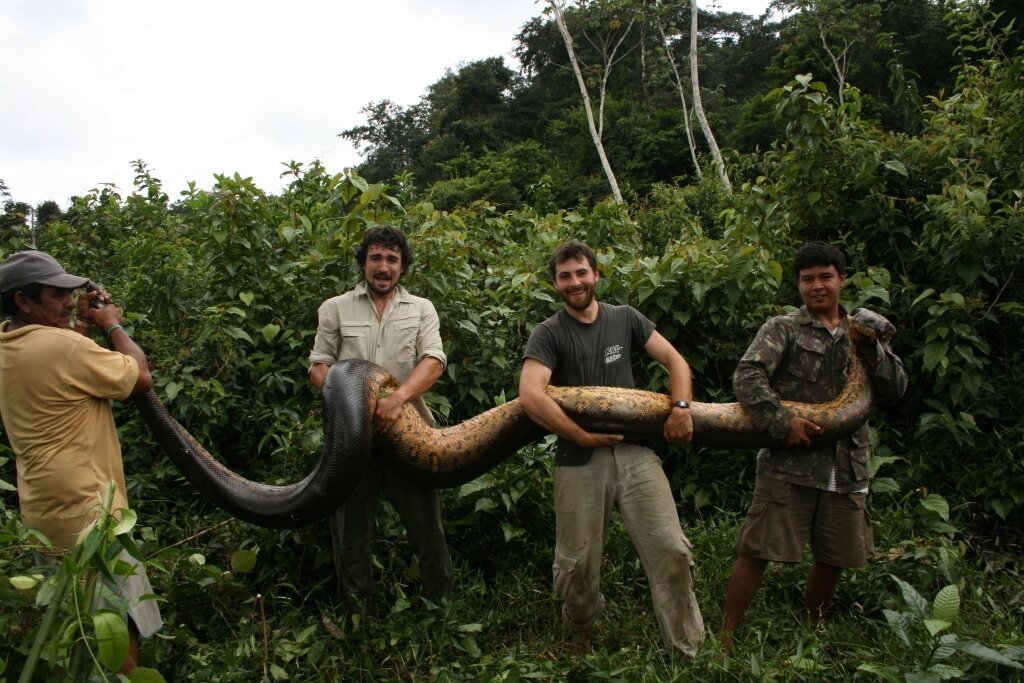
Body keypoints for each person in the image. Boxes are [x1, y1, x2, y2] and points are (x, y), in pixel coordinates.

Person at [518, 240, 704, 658]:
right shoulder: (549, 332)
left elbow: (676, 361)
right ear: (555, 284)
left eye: (581, 272)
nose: (575, 282)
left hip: (636, 451)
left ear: (596, 275)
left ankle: (686, 649)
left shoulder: (625, 318)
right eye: (565, 276)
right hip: (578, 457)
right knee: (578, 564)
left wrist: (681, 408)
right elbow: (530, 395)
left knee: (672, 550)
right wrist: (580, 436)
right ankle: (580, 631)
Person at [720, 241, 908, 654]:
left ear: (843, 279)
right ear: (799, 285)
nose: (817, 286)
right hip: (790, 463)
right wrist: (780, 421)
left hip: (848, 464)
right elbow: (748, 376)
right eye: (808, 279)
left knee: (834, 555)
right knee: (757, 549)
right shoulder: (783, 328)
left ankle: (813, 631)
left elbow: (896, 388)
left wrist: (871, 349)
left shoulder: (863, 335)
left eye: (826, 277)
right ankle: (726, 638)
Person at [0, 250, 163, 674]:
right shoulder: (62, 346)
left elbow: (66, 369)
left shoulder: (8, 344)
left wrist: (81, 326)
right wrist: (112, 324)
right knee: (116, 624)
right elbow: (141, 378)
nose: (69, 303)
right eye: (57, 296)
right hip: (91, 513)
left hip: (44, 510)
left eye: (70, 294)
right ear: (23, 301)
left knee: (74, 624)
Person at [308, 225, 452, 610]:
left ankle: (440, 610)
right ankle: (357, 616)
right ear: (363, 263)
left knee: (428, 529)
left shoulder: (421, 308)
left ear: (402, 266)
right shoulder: (335, 307)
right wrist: (354, 404)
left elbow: (434, 361)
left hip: (410, 434)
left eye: (392, 259)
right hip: (351, 440)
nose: (383, 267)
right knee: (350, 534)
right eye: (376, 258)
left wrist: (398, 398)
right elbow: (319, 367)